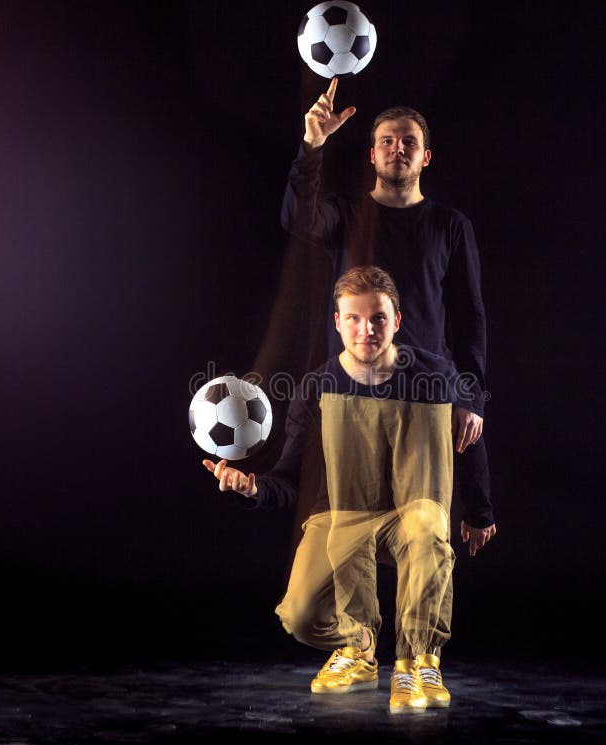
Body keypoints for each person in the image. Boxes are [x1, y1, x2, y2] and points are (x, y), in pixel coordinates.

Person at [204, 266, 479, 713]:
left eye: (377, 318)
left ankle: (418, 661)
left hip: (413, 507)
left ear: (397, 320)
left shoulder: (435, 375)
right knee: (298, 615)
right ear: (337, 321)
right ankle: (361, 649)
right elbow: (290, 476)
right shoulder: (316, 387)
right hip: (344, 511)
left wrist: (480, 510)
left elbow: (470, 439)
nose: (365, 330)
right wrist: (253, 489)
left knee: (429, 526)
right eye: (353, 318)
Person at [281, 77, 497, 543]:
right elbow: (297, 218)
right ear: (372, 155)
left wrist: (470, 396)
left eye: (409, 142)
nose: (397, 149)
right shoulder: (345, 214)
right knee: (349, 534)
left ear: (425, 157)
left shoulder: (450, 226)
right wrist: (311, 147)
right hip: (355, 391)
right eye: (386, 141)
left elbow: (470, 316)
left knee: (424, 537)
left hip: (427, 391)